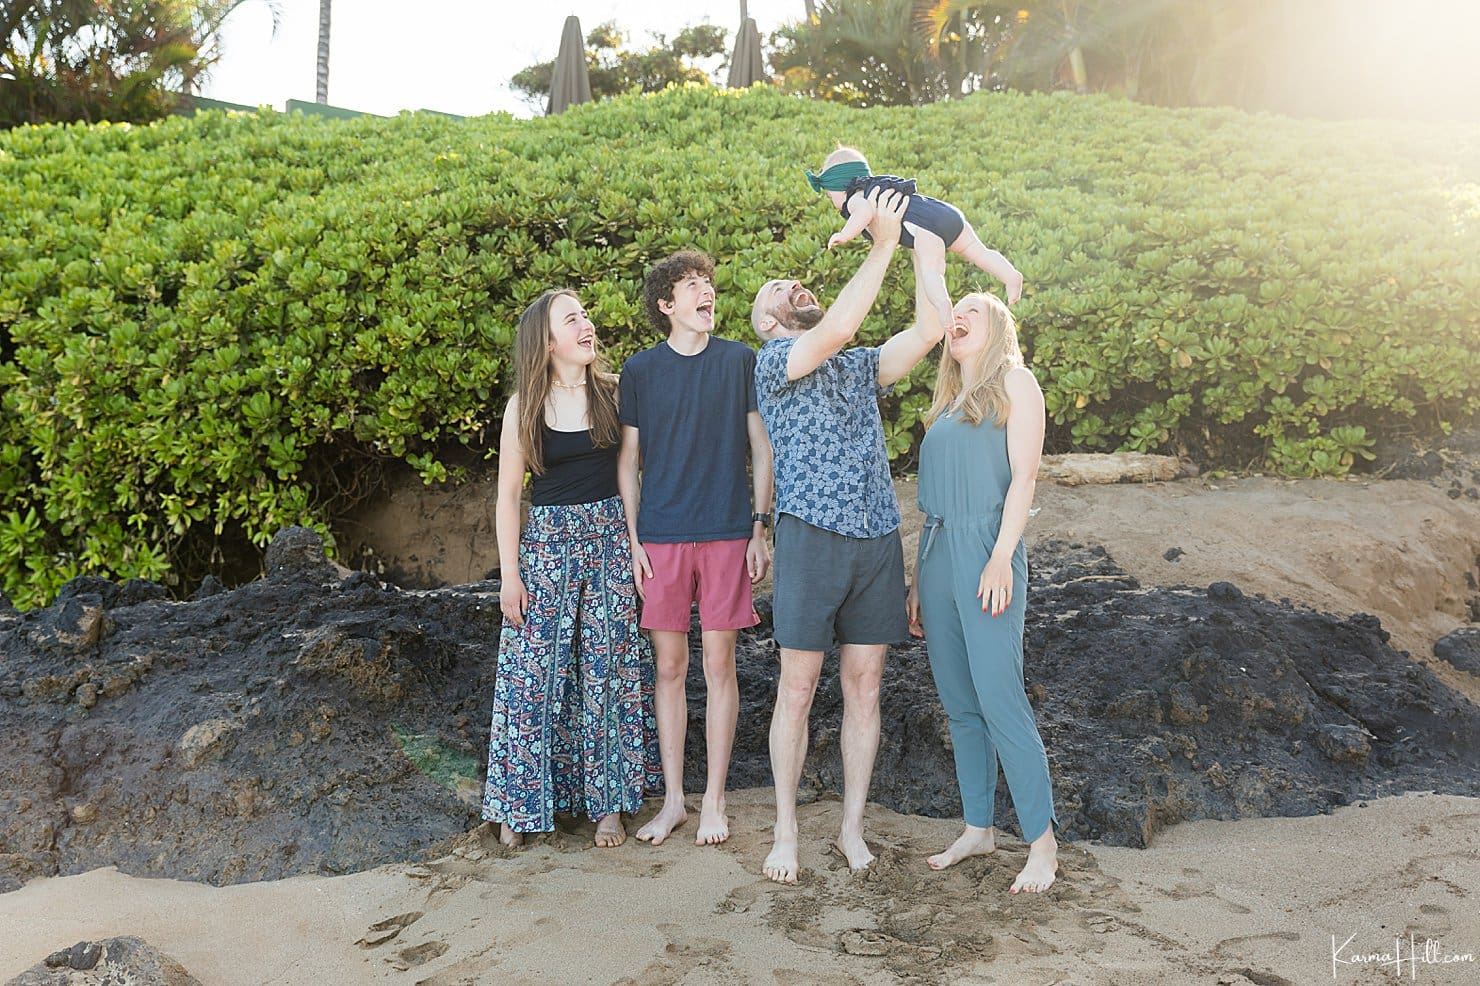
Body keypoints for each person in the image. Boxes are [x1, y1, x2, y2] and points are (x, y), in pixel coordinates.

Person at [750, 187, 948, 884]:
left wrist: (927, 249)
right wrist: (883, 245)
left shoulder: (857, 366)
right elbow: (831, 329)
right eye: (780, 288)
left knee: (865, 687)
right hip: (811, 537)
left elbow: (927, 334)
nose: (793, 286)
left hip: (875, 538)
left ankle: (852, 829)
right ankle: (784, 831)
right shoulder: (774, 363)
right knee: (798, 690)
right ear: (769, 322)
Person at [482, 289, 660, 849]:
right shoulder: (523, 407)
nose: (587, 325)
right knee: (531, 675)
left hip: (609, 538)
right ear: (547, 339)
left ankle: (609, 805)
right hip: (548, 545)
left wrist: (636, 544)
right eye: (572, 319)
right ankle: (518, 807)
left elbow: (633, 475)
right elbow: (510, 494)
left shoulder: (612, 393)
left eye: (585, 316)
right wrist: (510, 575)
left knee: (610, 669)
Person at [618, 251, 774, 848]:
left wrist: (759, 528)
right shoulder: (640, 372)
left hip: (727, 532)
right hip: (659, 534)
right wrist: (634, 540)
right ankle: (676, 801)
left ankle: (714, 801)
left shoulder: (740, 360)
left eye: (708, 284)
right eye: (692, 286)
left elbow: (761, 448)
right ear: (667, 305)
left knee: (719, 666)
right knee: (668, 668)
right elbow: (629, 461)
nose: (706, 293)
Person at [905, 291, 1060, 894]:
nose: (958, 315)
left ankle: (1041, 845)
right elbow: (930, 507)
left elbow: (1024, 477)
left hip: (987, 550)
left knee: (1000, 698)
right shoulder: (946, 405)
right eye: (954, 309)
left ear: (998, 325)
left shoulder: (1017, 383)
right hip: (939, 556)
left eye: (974, 306)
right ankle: (978, 828)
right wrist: (919, 580)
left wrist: (1000, 557)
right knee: (960, 703)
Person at [807, 145, 1024, 330]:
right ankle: (1010, 276)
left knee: (933, 270)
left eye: (829, 195)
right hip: (943, 212)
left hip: (925, 227)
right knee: (979, 251)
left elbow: (863, 213)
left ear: (840, 186)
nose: (832, 201)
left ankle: (942, 305)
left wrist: (844, 234)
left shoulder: (856, 197)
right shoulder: (877, 186)